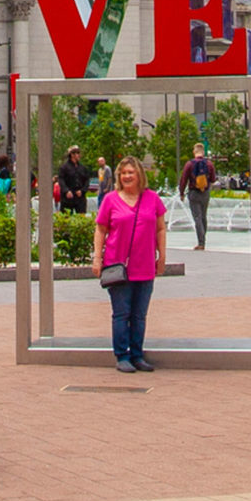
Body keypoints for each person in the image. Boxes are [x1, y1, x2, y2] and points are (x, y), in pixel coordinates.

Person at [92, 156, 166, 374]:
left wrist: (162, 256)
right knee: (121, 313)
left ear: (139, 175)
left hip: (145, 266)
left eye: (130, 173)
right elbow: (100, 230)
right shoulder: (110, 200)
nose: (126, 176)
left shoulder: (152, 199)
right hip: (118, 267)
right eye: (123, 173)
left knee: (139, 314)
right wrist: (97, 258)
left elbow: (161, 228)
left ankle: (137, 354)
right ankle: (122, 355)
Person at [178, 143, 215, 250]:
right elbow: (213, 179)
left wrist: (181, 193)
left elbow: (183, 180)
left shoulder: (189, 164)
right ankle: (203, 240)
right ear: (203, 152)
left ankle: (201, 242)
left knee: (197, 217)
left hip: (194, 193)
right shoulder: (209, 164)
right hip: (205, 193)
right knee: (203, 216)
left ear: (194, 151)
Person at [58, 145, 90, 213]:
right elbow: (61, 180)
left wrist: (82, 191)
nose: (79, 155)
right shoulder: (64, 168)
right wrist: (66, 191)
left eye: (79, 153)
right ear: (72, 154)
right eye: (77, 153)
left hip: (80, 197)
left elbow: (87, 180)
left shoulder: (83, 168)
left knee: (82, 217)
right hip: (68, 197)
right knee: (66, 218)